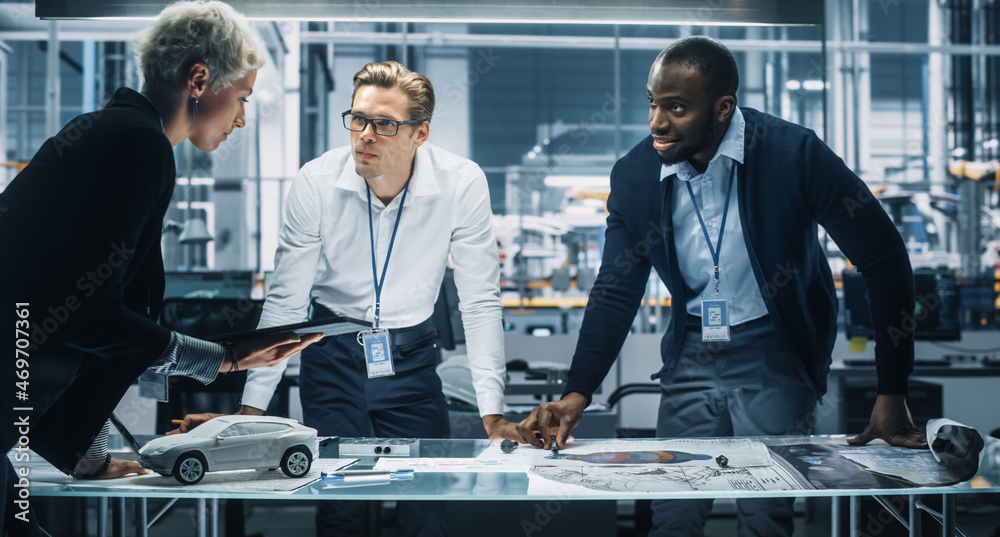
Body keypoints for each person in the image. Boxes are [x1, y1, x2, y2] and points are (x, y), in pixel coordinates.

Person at [516, 36, 927, 537]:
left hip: (775, 352)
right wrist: (577, 392)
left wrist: (892, 389)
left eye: (677, 108)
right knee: (671, 507)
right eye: (652, 104)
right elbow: (615, 290)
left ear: (723, 108)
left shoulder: (793, 154)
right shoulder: (636, 176)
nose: (657, 123)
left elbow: (884, 260)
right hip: (691, 351)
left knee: (766, 512)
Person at [0, 0, 319, 536]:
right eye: (241, 97)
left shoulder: (111, 132)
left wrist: (86, 452)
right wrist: (221, 360)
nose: (242, 117)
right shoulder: (137, 144)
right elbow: (87, 316)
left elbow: (88, 303)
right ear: (199, 78)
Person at [172, 60, 523, 536]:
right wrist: (251, 411)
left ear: (419, 134)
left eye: (384, 124)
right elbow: (286, 302)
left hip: (413, 356)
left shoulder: (461, 183)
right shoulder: (317, 182)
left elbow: (479, 300)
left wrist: (493, 412)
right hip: (331, 350)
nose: (365, 135)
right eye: (358, 119)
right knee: (339, 502)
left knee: (427, 502)